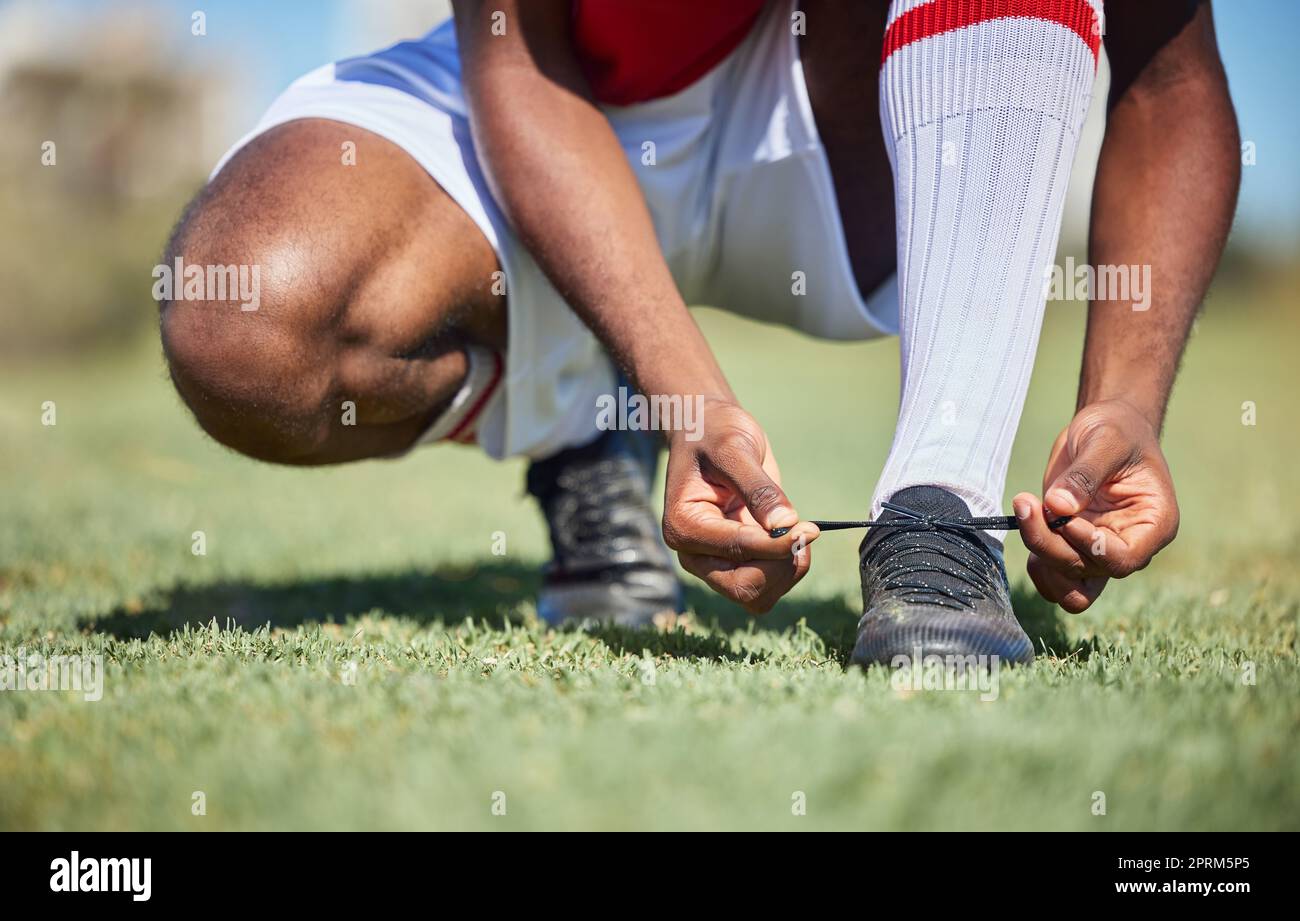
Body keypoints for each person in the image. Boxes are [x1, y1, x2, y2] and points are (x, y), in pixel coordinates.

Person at [158, 0, 1239, 666]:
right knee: (243, 325)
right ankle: (590, 423)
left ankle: (938, 510)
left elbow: (1170, 73)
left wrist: (1127, 400)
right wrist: (680, 394)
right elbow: (517, 54)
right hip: (566, 82)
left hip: (869, 113)